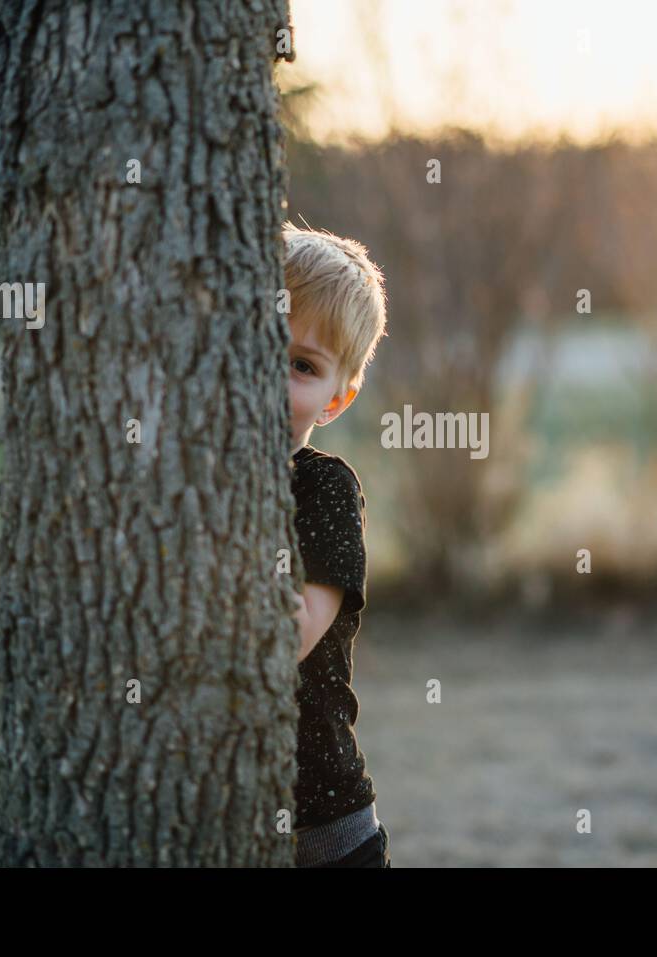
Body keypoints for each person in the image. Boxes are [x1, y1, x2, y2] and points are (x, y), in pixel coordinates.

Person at [282, 221, 391, 868]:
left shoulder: (325, 489)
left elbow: (287, 631)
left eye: (301, 365)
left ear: (337, 397)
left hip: (325, 831)